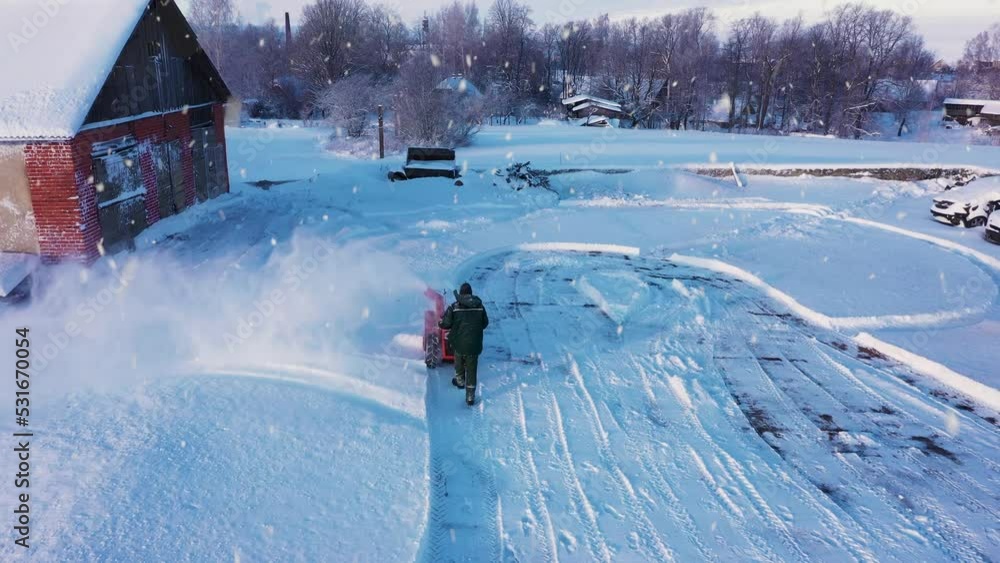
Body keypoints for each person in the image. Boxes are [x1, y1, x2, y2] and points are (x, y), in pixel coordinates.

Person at [439, 282, 489, 406]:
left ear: (461, 293)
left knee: (458, 360)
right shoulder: (480, 306)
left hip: (459, 342)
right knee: (472, 369)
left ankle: (460, 381)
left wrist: (440, 323)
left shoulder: (454, 307)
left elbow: (446, 324)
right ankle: (470, 396)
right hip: (474, 343)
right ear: (471, 293)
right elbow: (485, 323)